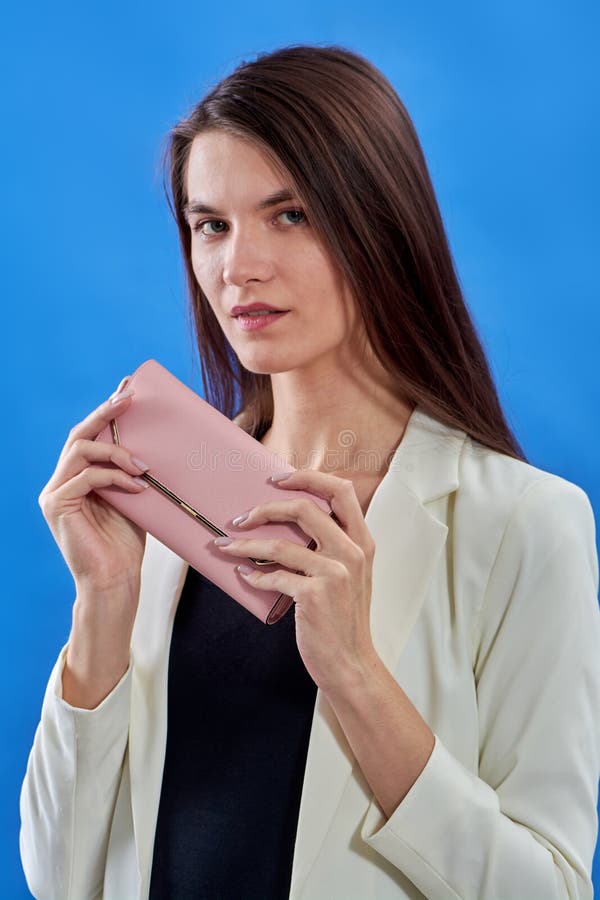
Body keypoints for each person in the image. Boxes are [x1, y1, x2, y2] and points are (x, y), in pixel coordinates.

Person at [20, 43, 600, 900]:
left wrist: (357, 675)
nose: (238, 265)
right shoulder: (160, 494)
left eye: (289, 215)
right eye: (210, 224)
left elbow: (545, 889)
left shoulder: (523, 522)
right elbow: (61, 875)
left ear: (381, 222)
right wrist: (102, 607)